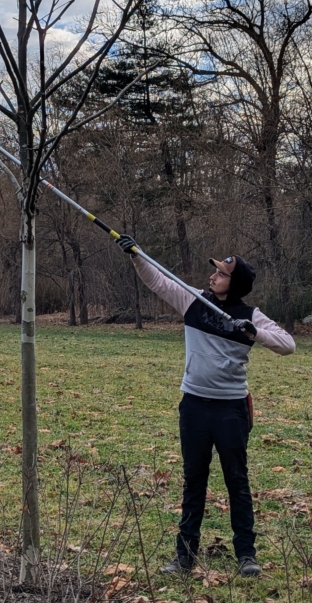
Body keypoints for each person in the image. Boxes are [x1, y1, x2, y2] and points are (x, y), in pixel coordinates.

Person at [116, 240, 295, 577]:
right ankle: (185, 556)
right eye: (214, 271)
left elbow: (288, 345)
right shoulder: (194, 301)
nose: (213, 276)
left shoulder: (249, 316)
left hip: (231, 410)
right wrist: (137, 256)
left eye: (222, 273)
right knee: (193, 481)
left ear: (236, 283)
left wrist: (255, 332)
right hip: (195, 406)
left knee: (237, 481)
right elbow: (159, 282)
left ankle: (246, 555)